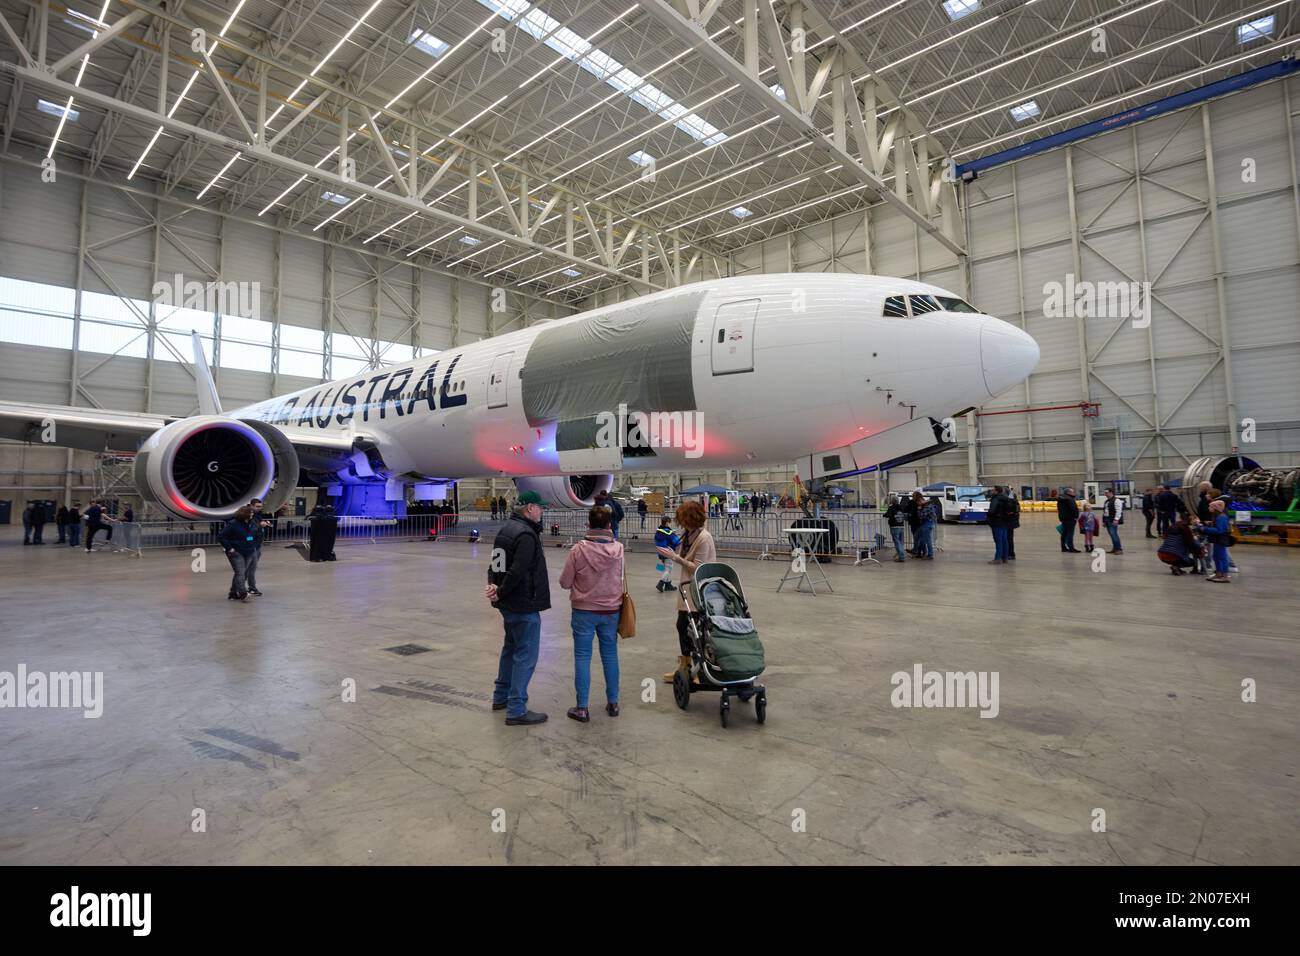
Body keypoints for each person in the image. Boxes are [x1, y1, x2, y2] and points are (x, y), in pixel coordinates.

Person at [486, 491, 552, 725]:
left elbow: (496, 563)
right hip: (523, 603)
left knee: (510, 649)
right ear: (530, 508)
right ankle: (516, 709)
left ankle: (500, 697)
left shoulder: (506, 530)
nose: (543, 511)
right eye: (541, 507)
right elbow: (518, 571)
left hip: (508, 605)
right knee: (526, 655)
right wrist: (501, 590)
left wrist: (493, 586)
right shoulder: (526, 535)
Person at [558, 506, 624, 722]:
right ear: (609, 525)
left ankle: (582, 708)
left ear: (588, 524)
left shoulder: (578, 550)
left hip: (584, 611)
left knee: (582, 657)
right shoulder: (619, 549)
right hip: (611, 610)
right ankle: (613, 703)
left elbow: (565, 582)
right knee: (610, 655)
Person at [657, 500, 716, 683]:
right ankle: (686, 666)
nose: (682, 524)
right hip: (686, 589)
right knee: (683, 626)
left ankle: (698, 670)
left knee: (695, 630)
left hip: (698, 590)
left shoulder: (704, 538)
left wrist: (675, 558)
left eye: (685, 520)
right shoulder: (688, 534)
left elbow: (698, 568)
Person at [220, 505, 263, 601]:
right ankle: (243, 593)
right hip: (236, 552)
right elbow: (222, 536)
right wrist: (229, 548)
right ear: (244, 514)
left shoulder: (252, 523)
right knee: (240, 572)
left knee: (242, 573)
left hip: (249, 551)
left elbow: (256, 534)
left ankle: (233, 593)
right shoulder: (233, 524)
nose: (252, 514)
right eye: (250, 513)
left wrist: (255, 544)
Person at [1199, 500, 1233, 583]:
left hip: (1220, 539)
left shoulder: (1221, 517)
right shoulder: (1218, 517)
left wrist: (1205, 529)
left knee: (1221, 557)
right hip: (1217, 539)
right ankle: (1218, 573)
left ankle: (1225, 575)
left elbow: (1220, 530)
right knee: (1216, 557)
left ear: (1216, 508)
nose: (1209, 508)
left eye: (1211, 506)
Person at [653, 514, 680, 591]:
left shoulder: (658, 530)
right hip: (667, 551)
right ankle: (660, 584)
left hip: (660, 552)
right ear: (667, 522)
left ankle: (668, 585)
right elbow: (676, 541)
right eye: (669, 522)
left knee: (666, 568)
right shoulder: (668, 532)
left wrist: (672, 532)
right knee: (668, 569)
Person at [986, 485, 1011, 564]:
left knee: (998, 541)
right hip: (1005, 521)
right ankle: (1005, 558)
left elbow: (992, 511)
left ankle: (997, 558)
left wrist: (988, 515)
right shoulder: (1006, 498)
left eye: (993, 490)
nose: (992, 491)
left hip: (997, 522)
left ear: (996, 491)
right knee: (1004, 540)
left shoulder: (995, 499)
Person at [884, 494, 908, 562]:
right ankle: (901, 555)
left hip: (894, 526)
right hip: (901, 526)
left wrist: (884, 515)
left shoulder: (891, 507)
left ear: (892, 501)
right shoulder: (901, 507)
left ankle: (901, 557)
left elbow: (888, 514)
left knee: (897, 542)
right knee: (901, 542)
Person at [1057, 488, 1081, 552]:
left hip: (1063, 519)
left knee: (1064, 533)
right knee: (1070, 533)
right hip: (1070, 519)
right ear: (1069, 492)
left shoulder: (1060, 499)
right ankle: (1071, 548)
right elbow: (1073, 509)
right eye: (1073, 492)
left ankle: (1063, 547)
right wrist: (1076, 516)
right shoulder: (1070, 499)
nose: (1074, 493)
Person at [1101, 488, 1124, 554]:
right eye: (1105, 493)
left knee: (1114, 534)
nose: (1105, 494)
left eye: (1106, 492)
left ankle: (1119, 549)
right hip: (1107, 520)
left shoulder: (1117, 500)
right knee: (1111, 535)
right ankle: (1115, 548)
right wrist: (1104, 521)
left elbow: (1119, 511)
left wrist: (1116, 519)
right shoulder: (1107, 501)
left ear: (1111, 492)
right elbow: (1105, 511)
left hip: (1112, 520)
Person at [917, 494, 937, 559]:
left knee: (927, 540)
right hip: (929, 524)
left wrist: (919, 509)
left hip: (927, 524)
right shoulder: (930, 506)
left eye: (919, 502)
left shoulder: (927, 507)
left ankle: (930, 554)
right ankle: (923, 553)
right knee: (923, 540)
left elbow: (921, 516)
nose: (919, 504)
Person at [905, 492, 923, 556]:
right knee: (918, 537)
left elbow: (906, 509)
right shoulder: (921, 502)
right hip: (918, 522)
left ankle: (917, 550)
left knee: (916, 537)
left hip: (915, 522)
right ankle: (917, 550)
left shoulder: (912, 502)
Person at [1005, 490, 1020, 560]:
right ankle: (1010, 553)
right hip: (1012, 523)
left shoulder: (1011, 503)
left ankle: (1010, 554)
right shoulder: (1016, 502)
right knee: (1010, 539)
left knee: (1008, 539)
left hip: (1009, 523)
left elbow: (1009, 513)